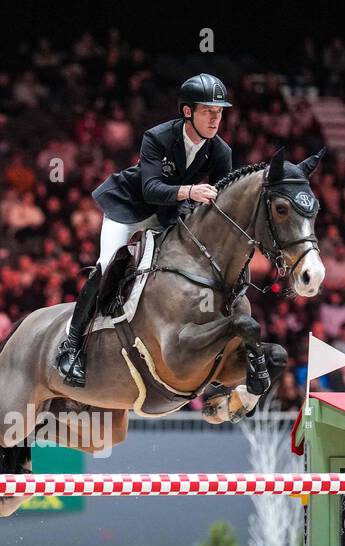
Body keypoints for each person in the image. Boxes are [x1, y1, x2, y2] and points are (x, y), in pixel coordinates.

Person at [55, 74, 234, 387]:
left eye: (219, 112)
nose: (215, 118)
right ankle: (70, 346)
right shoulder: (158, 137)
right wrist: (191, 192)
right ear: (188, 112)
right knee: (108, 265)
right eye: (208, 111)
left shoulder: (220, 152)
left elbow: (218, 204)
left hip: (170, 216)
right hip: (130, 210)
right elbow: (151, 189)